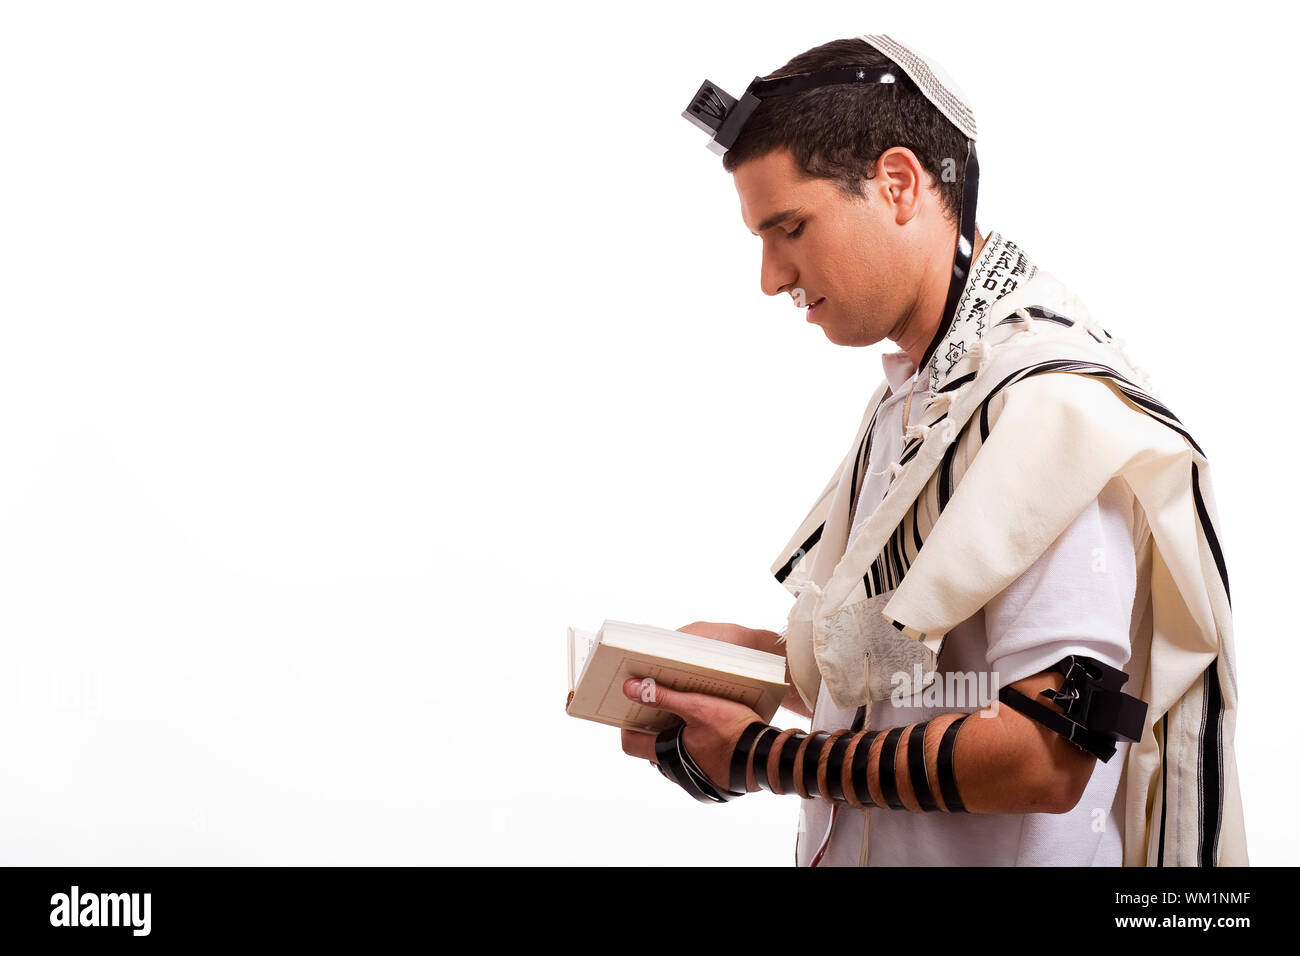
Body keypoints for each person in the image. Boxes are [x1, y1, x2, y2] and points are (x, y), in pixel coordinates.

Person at [617, 34, 1247, 867]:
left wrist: (760, 758)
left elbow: (1045, 753)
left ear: (900, 183)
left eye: (790, 227)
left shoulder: (1047, 413)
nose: (770, 276)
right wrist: (755, 666)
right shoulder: (917, 402)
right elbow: (920, 678)